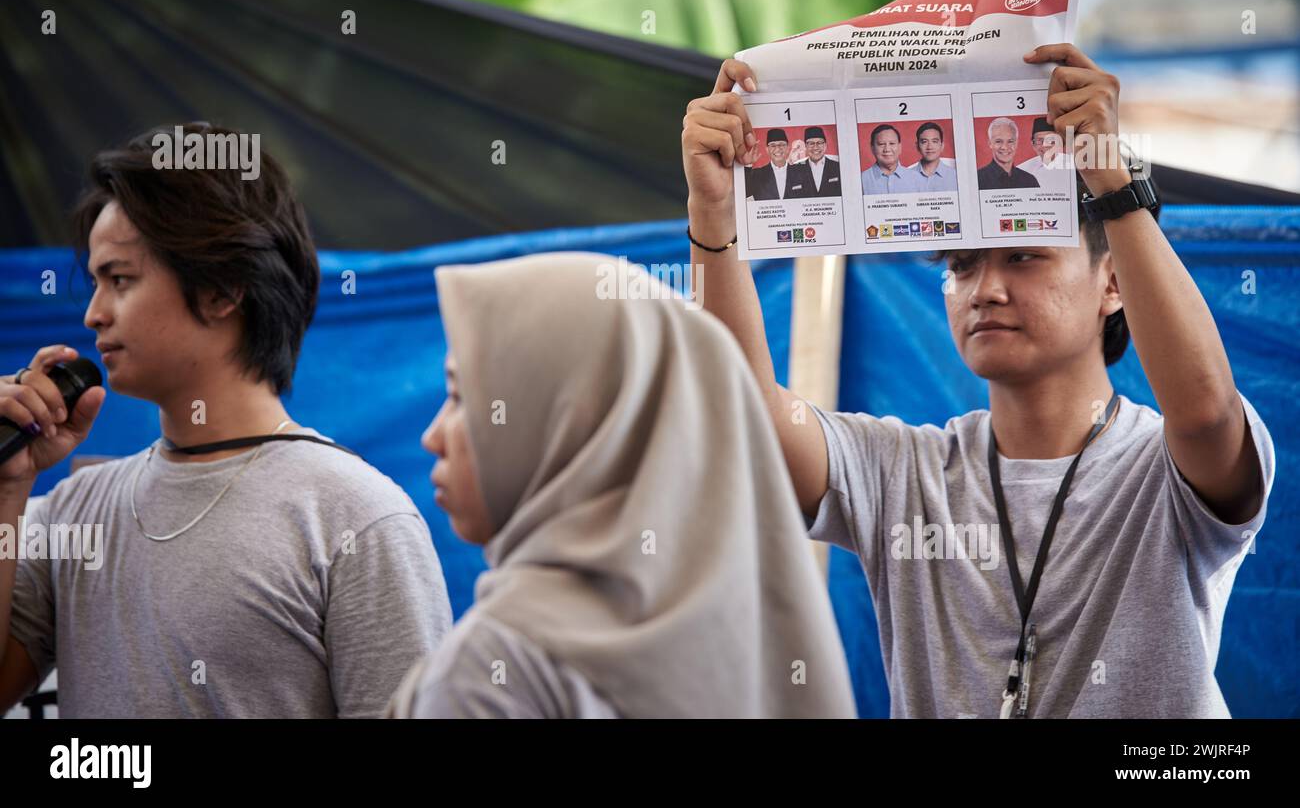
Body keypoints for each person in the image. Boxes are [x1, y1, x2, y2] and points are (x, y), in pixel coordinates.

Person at [680, 47, 1273, 717]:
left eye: (1024, 252)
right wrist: (712, 215)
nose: (986, 288)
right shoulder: (902, 471)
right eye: (962, 263)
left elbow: (1205, 414)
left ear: (1114, 282)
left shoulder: (1163, 471)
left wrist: (1111, 179)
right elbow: (747, 415)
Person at [0, 123, 453, 717]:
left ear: (221, 289)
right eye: (94, 282)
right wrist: (8, 487)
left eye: (120, 280)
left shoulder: (355, 517)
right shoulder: (72, 508)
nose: (93, 314)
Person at [386, 252, 855, 718]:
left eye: (459, 395)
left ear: (567, 419)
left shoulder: (495, 668)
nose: (433, 435)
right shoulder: (768, 633)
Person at [977, 117, 1040, 189]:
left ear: (1016, 143)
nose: (1005, 147)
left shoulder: (1030, 181)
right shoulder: (978, 180)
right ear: (990, 143)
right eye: (998, 141)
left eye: (1010, 141)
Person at [1019, 116, 1074, 191]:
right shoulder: (1022, 170)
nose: (1045, 145)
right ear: (1033, 144)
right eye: (1040, 141)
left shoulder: (1074, 165)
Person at [901, 122, 957, 193]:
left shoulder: (954, 176)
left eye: (934, 141)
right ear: (917, 146)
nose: (930, 147)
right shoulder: (906, 177)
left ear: (942, 145)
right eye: (924, 142)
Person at [786, 126, 841, 197]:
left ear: (825, 146)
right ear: (805, 146)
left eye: (819, 143)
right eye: (811, 143)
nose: (815, 147)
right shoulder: (795, 169)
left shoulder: (838, 167)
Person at [861, 124, 913, 195]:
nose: (887, 149)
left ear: (900, 147)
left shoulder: (915, 178)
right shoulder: (861, 180)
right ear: (872, 148)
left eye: (892, 143)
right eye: (881, 144)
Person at [744, 128, 795, 201]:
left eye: (781, 144)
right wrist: (748, 164)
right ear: (767, 150)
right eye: (773, 145)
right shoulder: (757, 174)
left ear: (788, 148)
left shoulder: (800, 172)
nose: (777, 149)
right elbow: (743, 193)